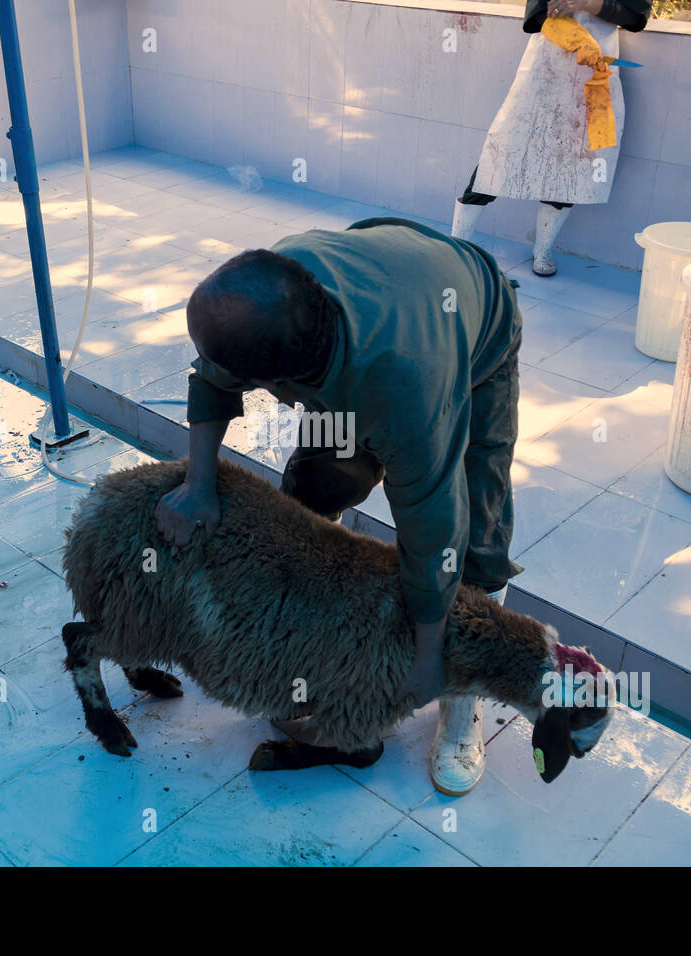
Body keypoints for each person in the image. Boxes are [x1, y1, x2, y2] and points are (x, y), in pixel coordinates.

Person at [158, 218, 524, 796]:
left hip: (476, 328)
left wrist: (427, 656)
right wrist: (198, 483)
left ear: (279, 383)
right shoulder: (263, 296)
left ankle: (459, 704)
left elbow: (434, 530)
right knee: (316, 489)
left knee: (475, 533)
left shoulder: (409, 388)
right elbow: (211, 376)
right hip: (387, 280)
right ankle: (315, 650)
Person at [451, 0, 651, 276]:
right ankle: (456, 244)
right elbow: (533, 16)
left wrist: (592, 4)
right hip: (544, 69)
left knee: (571, 163)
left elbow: (637, 18)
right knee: (502, 151)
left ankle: (542, 251)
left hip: (593, 71)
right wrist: (568, 25)